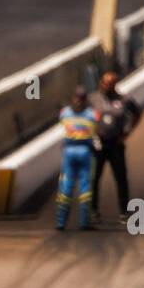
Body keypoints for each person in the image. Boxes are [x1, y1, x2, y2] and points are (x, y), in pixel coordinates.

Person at [90, 70, 141, 222]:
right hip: (98, 143)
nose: (106, 86)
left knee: (121, 178)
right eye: (104, 83)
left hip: (116, 143)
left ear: (115, 85)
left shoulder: (125, 99)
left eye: (109, 84)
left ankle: (124, 211)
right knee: (94, 177)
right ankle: (93, 210)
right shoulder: (93, 99)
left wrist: (127, 132)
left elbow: (137, 113)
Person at [55, 87, 97, 231]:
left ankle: (61, 222)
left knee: (66, 186)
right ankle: (84, 222)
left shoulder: (65, 113)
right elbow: (95, 129)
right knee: (85, 187)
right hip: (85, 151)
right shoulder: (91, 115)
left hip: (69, 151)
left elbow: (62, 123)